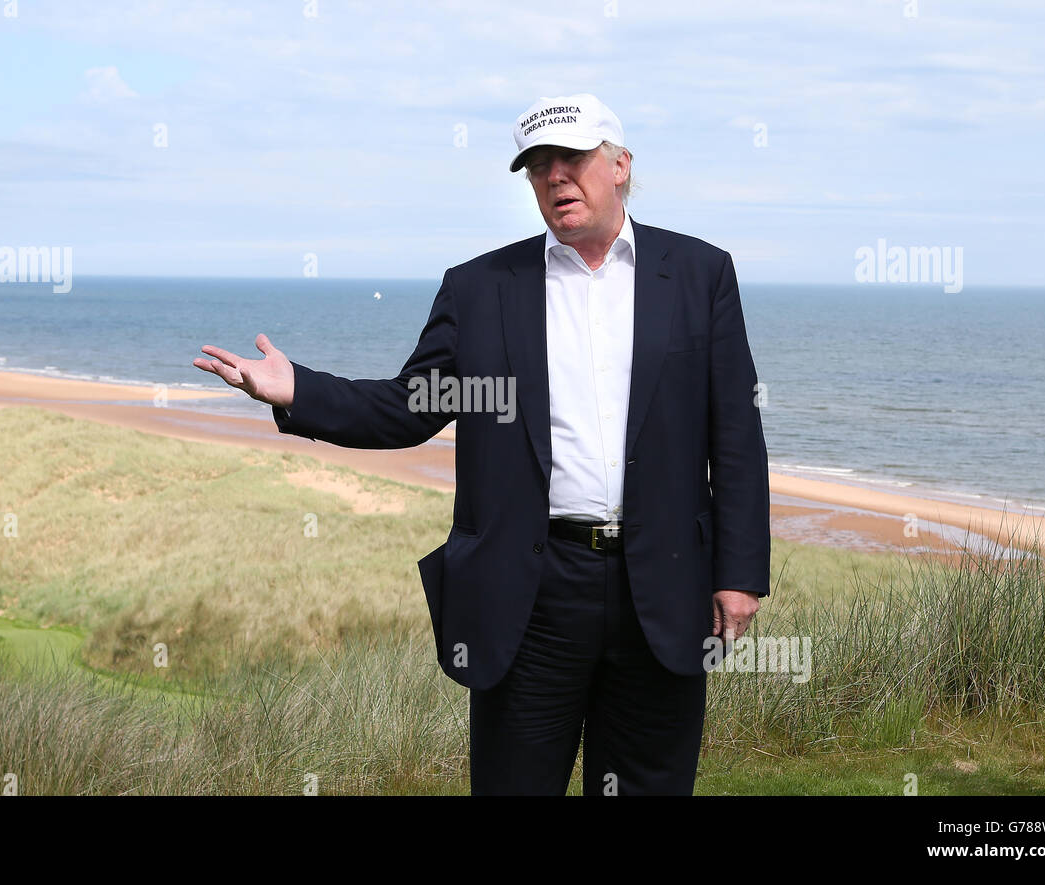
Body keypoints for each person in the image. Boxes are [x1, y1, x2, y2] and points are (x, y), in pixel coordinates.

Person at [193, 93, 771, 795]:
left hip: (665, 587)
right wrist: (298, 391)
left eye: (573, 159)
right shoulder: (480, 288)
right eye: (538, 166)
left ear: (621, 165)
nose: (556, 177)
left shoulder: (700, 274)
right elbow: (411, 408)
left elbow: (735, 433)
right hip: (530, 593)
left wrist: (739, 574)